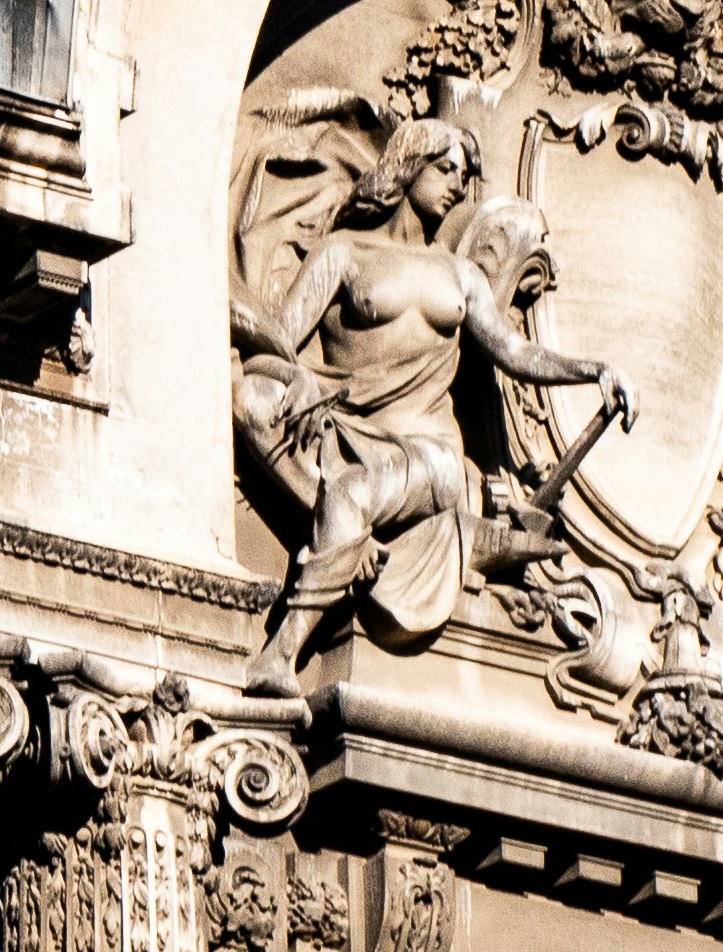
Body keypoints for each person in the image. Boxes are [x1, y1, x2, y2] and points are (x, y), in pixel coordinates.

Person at [235, 115, 626, 665]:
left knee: (350, 496)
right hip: (344, 428)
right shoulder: (343, 253)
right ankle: (349, 540)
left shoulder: (461, 275)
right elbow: (280, 339)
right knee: (250, 398)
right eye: (444, 169)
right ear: (407, 166)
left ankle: (281, 655)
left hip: (430, 452)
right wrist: (293, 375)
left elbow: (513, 351)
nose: (455, 186)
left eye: (462, 178)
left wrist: (593, 369)